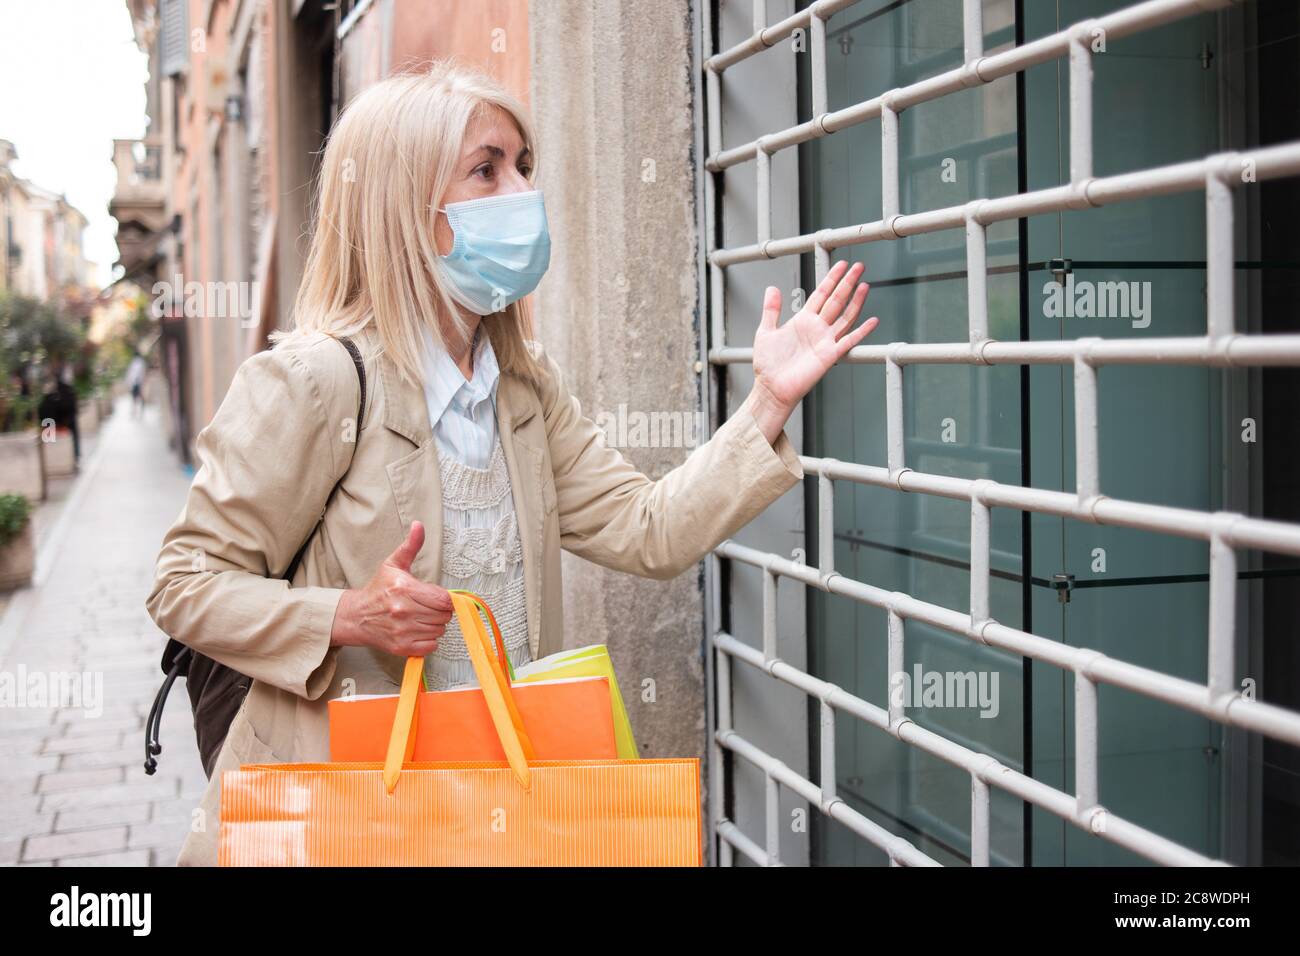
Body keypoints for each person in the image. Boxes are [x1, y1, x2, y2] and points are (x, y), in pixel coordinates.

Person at [144, 60, 879, 866]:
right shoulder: (314, 381)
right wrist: (346, 616)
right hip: (349, 809)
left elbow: (649, 529)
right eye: (487, 169)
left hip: (494, 804)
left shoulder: (523, 386)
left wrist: (766, 403)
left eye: (523, 165)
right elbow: (184, 582)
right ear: (408, 209)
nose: (522, 190)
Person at [126, 351, 147, 418]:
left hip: (136, 382)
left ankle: (136, 411)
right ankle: (139, 411)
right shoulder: (141, 362)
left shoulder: (134, 363)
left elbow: (130, 374)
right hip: (138, 382)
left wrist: (129, 382)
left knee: (135, 397)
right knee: (140, 397)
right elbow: (143, 373)